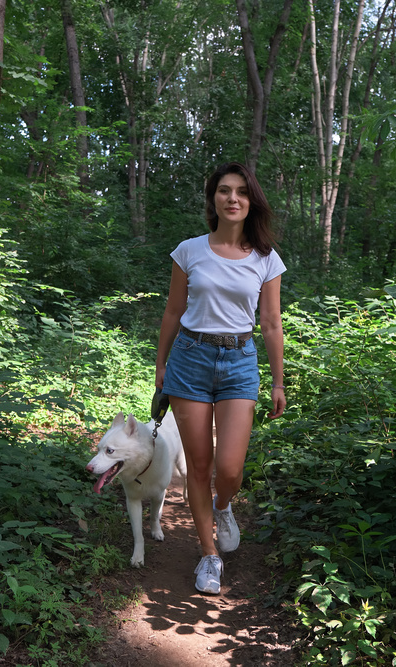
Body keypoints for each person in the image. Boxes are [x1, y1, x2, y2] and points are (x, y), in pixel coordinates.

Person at [155, 161, 286, 595]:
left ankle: (223, 504)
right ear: (213, 199)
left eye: (241, 192)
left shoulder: (266, 259)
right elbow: (173, 310)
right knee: (200, 465)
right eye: (225, 191)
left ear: (252, 202)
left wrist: (278, 381)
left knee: (229, 469)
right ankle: (209, 556)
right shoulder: (189, 250)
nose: (233, 198)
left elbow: (270, 323)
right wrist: (161, 364)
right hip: (190, 360)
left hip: (240, 361)